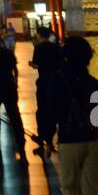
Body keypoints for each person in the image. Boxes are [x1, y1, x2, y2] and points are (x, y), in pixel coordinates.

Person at [53, 37, 98, 195]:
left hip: (70, 139)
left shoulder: (59, 78)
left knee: (68, 185)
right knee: (90, 186)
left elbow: (51, 110)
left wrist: (47, 138)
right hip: (94, 139)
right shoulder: (92, 81)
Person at [0, 33, 26, 155]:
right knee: (14, 113)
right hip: (9, 84)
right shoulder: (8, 52)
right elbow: (15, 69)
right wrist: (16, 81)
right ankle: (20, 137)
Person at [29, 25, 64, 157]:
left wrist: (32, 64)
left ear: (39, 35)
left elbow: (36, 64)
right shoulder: (56, 47)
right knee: (57, 110)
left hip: (44, 82)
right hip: (57, 82)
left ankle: (44, 142)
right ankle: (59, 141)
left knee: (42, 111)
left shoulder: (39, 48)